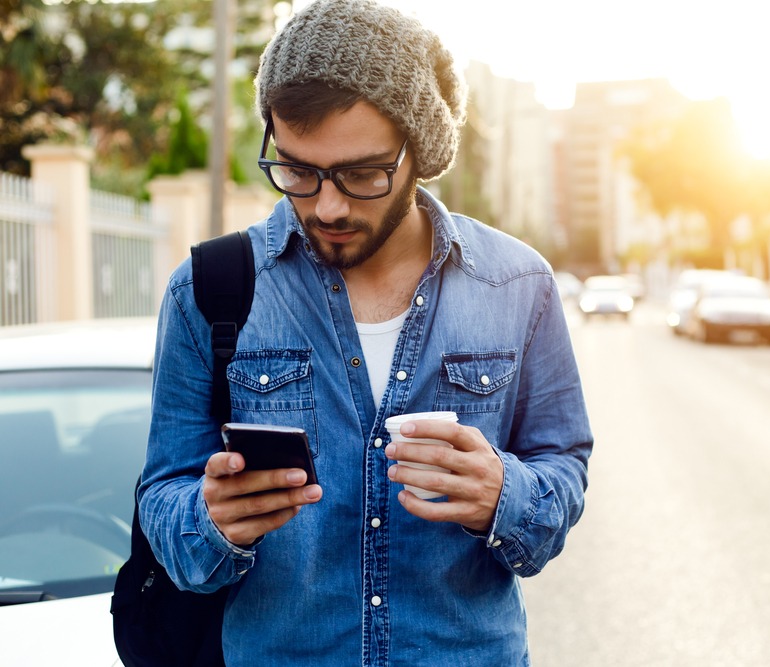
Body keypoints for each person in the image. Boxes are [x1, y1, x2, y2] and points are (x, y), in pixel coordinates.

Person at [139, 0, 594, 664]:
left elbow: (563, 468)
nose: (327, 204)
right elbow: (162, 496)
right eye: (296, 169)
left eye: (360, 174)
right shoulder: (207, 290)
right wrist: (208, 523)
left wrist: (505, 496)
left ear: (420, 152)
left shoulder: (517, 284)